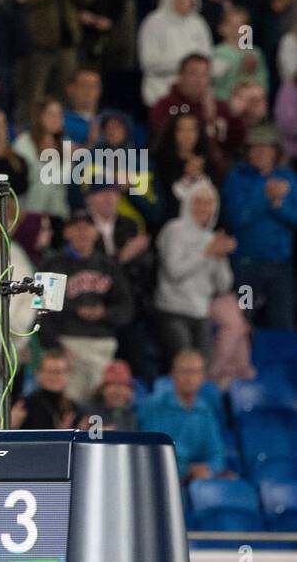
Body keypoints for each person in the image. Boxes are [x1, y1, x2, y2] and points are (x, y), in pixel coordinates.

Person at [38, 210, 134, 401]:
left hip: (102, 345)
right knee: (69, 403)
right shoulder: (52, 265)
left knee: (98, 406)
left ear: (96, 232)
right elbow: (42, 311)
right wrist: (55, 346)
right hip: (68, 343)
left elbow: (126, 308)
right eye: (76, 228)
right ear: (67, 233)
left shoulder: (109, 266)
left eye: (87, 228)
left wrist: (104, 313)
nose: (82, 233)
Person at [221, 123, 297, 332]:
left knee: (283, 323)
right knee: (242, 321)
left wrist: (278, 205)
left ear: (276, 152)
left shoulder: (288, 178)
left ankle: (284, 365)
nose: (260, 152)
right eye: (255, 148)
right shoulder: (237, 178)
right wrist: (266, 198)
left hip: (280, 269)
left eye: (266, 148)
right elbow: (236, 219)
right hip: (246, 268)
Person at [154, 178, 236, 364]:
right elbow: (174, 272)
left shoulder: (211, 238)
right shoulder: (174, 230)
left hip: (201, 313)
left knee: (200, 372)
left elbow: (223, 286)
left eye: (209, 203)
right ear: (188, 203)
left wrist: (220, 257)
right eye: (198, 202)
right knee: (184, 368)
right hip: (173, 311)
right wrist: (207, 254)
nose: (204, 208)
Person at [138, 348, 230, 483]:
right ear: (173, 374)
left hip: (195, 479)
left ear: (202, 378)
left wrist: (209, 468)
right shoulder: (154, 405)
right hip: (160, 477)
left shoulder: (205, 410)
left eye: (195, 372)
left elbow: (217, 454)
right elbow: (152, 451)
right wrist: (187, 470)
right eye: (185, 371)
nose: (190, 377)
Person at [138, 0, 214, 107]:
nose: (184, 1)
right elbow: (148, 62)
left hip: (196, 87)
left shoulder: (198, 23)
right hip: (161, 86)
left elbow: (207, 56)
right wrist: (185, 65)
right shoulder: (154, 22)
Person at [12, 350, 79, 429]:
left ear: (68, 374)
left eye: (59, 372)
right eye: (50, 372)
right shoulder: (24, 406)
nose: (54, 377)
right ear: (38, 374)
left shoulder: (73, 408)